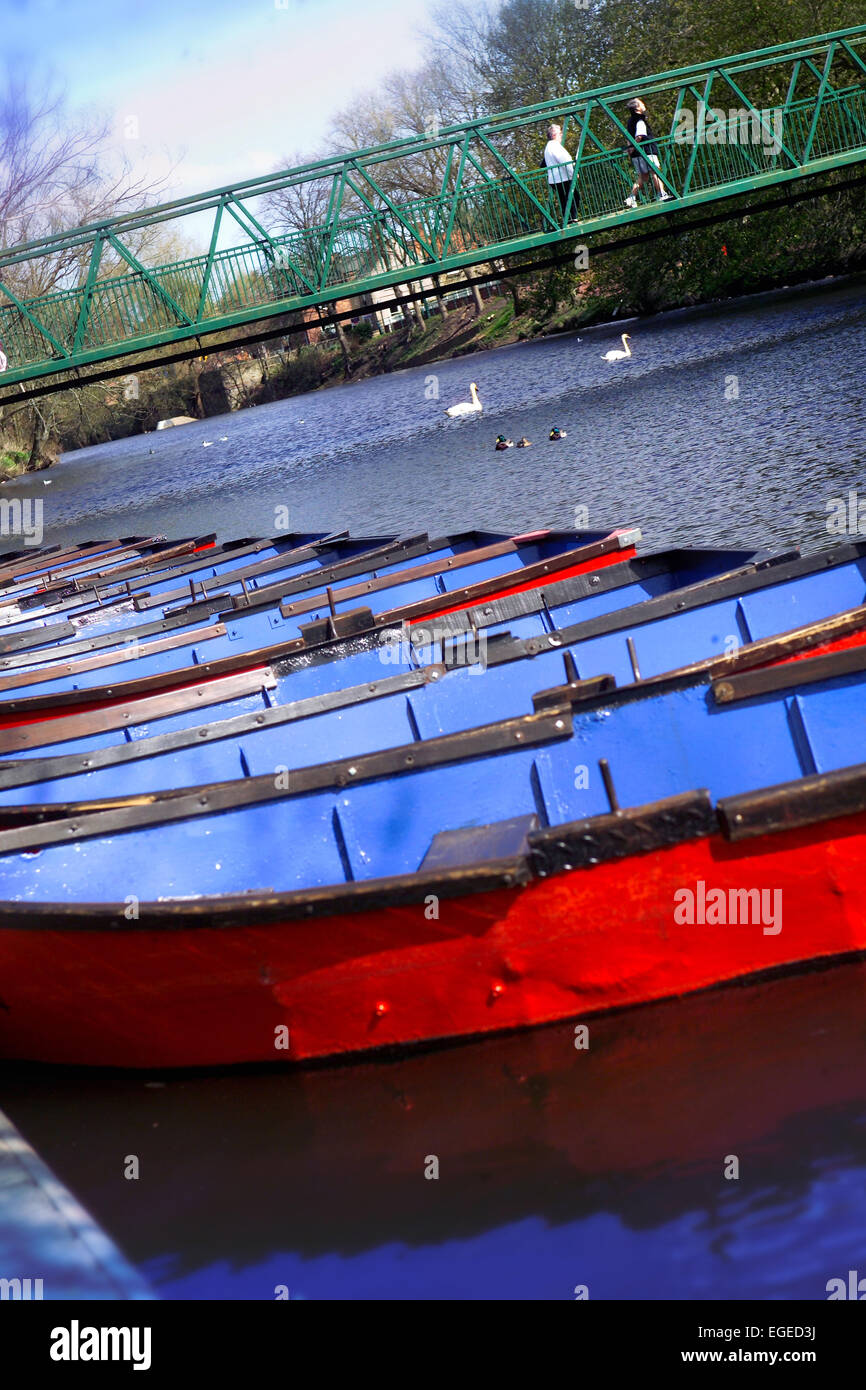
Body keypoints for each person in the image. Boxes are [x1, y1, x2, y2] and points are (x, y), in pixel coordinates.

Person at [623, 98, 671, 207]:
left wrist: (630, 148)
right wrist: (634, 147)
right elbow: (639, 136)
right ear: (637, 108)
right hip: (646, 151)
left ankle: (631, 198)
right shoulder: (640, 120)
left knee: (643, 177)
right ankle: (662, 194)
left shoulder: (630, 121)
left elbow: (628, 137)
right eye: (641, 104)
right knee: (655, 172)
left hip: (637, 154)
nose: (644, 105)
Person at [544, 123, 578, 223]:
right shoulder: (555, 146)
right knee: (574, 196)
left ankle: (568, 218)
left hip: (555, 179)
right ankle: (572, 217)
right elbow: (564, 162)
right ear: (554, 135)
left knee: (564, 199)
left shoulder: (549, 146)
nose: (561, 135)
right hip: (562, 178)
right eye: (560, 133)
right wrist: (573, 173)